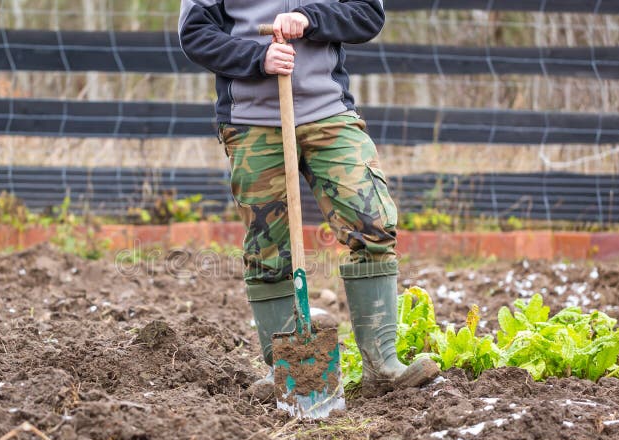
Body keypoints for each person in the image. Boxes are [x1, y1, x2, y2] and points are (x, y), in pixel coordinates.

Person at [178, 0, 438, 399]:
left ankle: (382, 366)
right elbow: (195, 33)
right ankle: (286, 371)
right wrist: (258, 56)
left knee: (371, 221)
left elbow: (368, 13)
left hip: (328, 112)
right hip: (250, 120)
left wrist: (310, 18)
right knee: (268, 249)